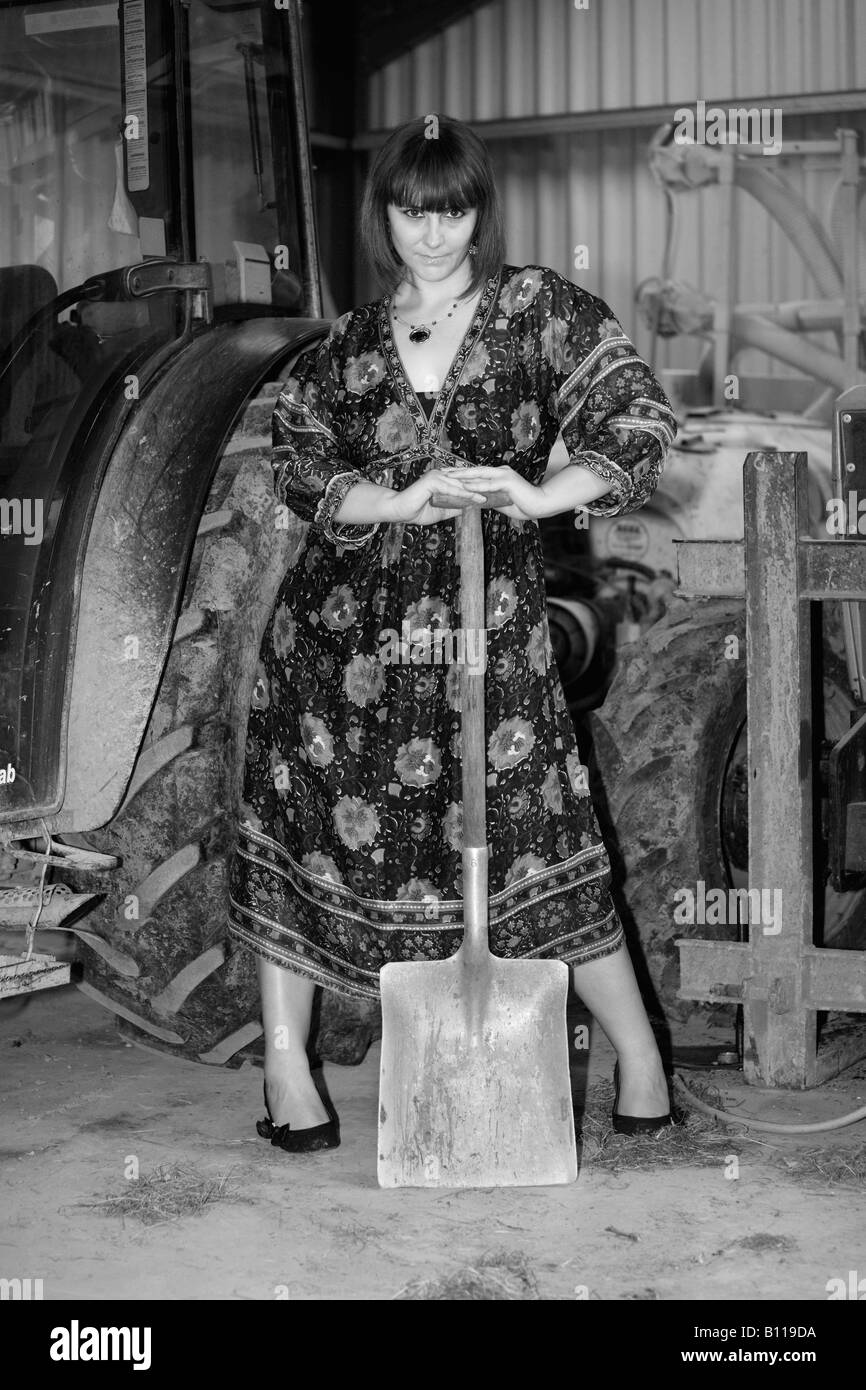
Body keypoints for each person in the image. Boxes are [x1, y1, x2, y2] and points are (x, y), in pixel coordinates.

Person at [227, 114, 679, 1153]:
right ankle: (286, 1069)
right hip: (339, 646)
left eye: (451, 209)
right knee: (300, 844)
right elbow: (292, 460)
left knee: (538, 842)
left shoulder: (535, 311)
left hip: (491, 629)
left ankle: (641, 1055)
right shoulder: (341, 345)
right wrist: (397, 500)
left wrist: (536, 491)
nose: (431, 233)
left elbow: (638, 412)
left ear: (478, 210)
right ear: (382, 213)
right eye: (409, 210)